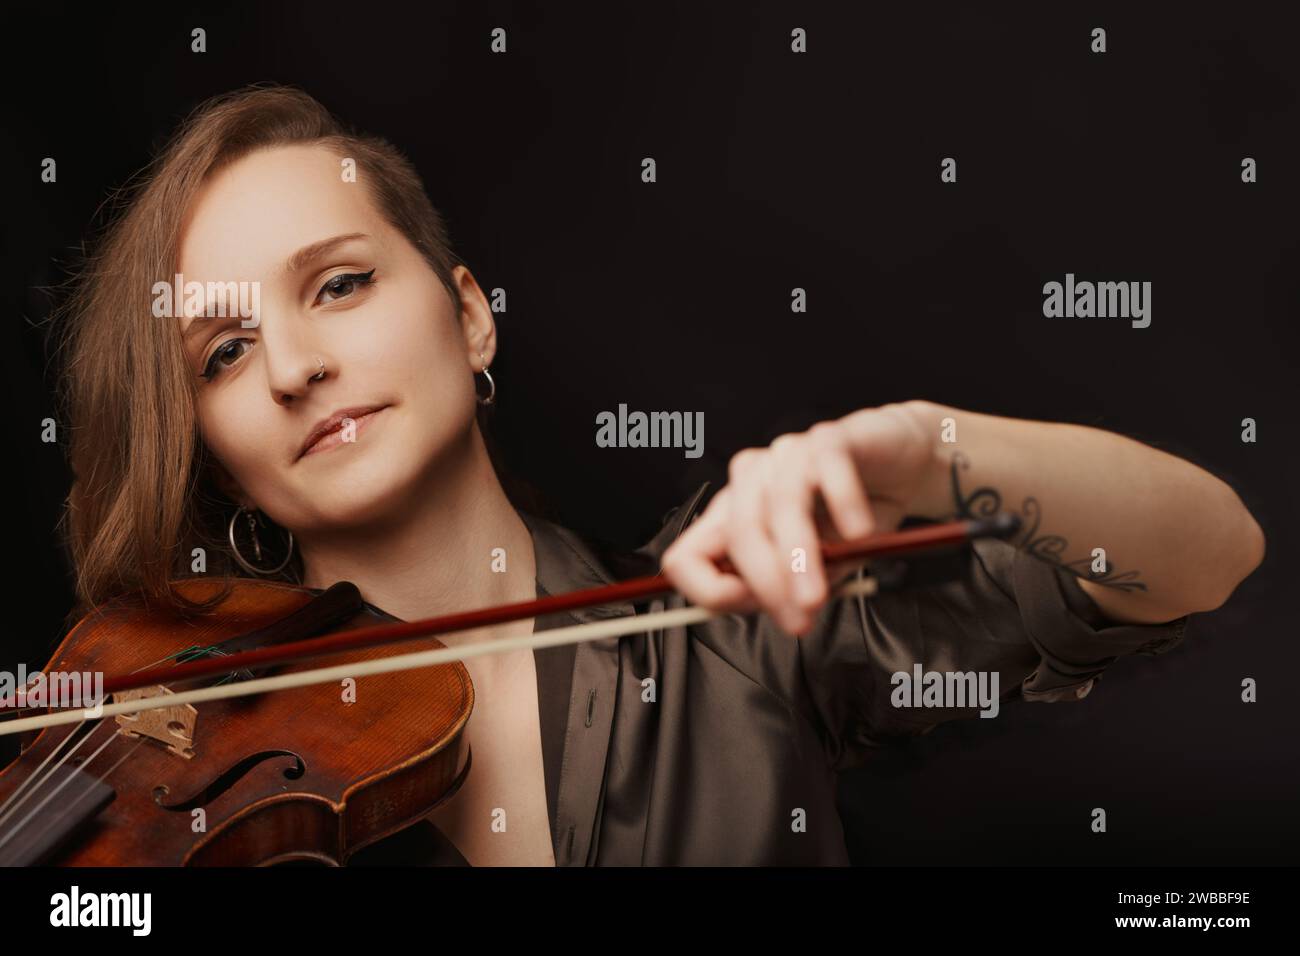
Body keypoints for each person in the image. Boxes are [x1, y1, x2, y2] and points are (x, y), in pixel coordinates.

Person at [50, 83, 1265, 866]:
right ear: (209, 444)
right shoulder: (179, 791)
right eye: (224, 351)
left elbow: (1205, 556)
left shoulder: (731, 626)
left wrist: (933, 444)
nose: (297, 366)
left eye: (340, 283)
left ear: (468, 317)